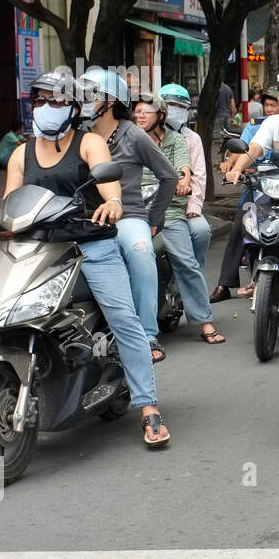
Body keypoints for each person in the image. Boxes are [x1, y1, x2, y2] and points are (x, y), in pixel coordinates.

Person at [0, 70, 170, 447]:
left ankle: (147, 407)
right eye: (40, 101)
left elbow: (111, 189)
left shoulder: (90, 143)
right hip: (37, 247)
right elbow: (12, 202)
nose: (46, 108)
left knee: (124, 320)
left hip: (90, 244)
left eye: (56, 101)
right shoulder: (22, 152)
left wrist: (112, 202)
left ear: (74, 107)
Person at [79, 66, 179, 366]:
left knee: (140, 252)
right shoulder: (79, 135)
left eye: (91, 95)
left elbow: (169, 177)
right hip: (84, 218)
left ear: (110, 101)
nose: (84, 101)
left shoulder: (133, 134)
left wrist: (153, 219)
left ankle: (147, 333)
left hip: (128, 216)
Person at [132, 95, 226, 346]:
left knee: (186, 262)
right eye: (136, 111)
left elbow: (185, 169)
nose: (139, 115)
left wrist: (183, 180)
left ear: (160, 116)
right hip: (134, 212)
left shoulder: (177, 140)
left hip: (169, 212)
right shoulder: (130, 140)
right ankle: (146, 333)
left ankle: (205, 320)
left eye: (145, 111)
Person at [210, 89, 279, 303]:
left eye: (273, 105)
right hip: (256, 186)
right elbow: (244, 149)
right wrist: (230, 164)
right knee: (240, 226)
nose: (269, 110)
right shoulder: (255, 125)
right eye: (266, 105)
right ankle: (224, 284)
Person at [160, 84, 211, 274]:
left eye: (180, 106)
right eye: (170, 104)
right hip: (150, 203)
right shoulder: (144, 136)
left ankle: (193, 273)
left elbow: (198, 176)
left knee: (201, 231)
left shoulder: (192, 139)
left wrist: (194, 207)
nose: (174, 109)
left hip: (182, 204)